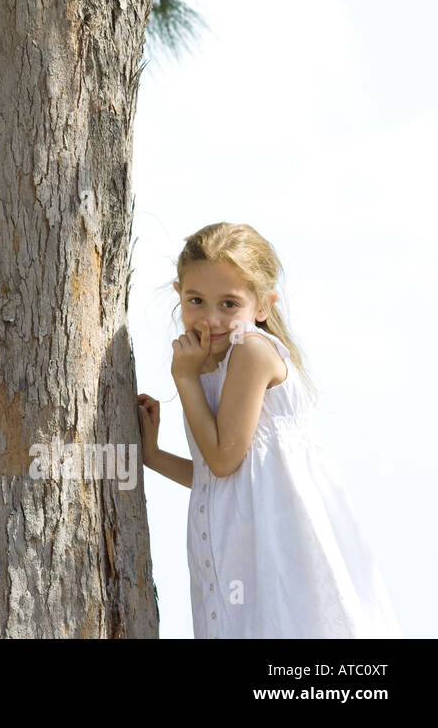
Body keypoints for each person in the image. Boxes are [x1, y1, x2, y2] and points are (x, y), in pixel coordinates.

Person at [137, 222, 401, 638]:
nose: (210, 318)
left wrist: (184, 379)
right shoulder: (213, 362)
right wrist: (153, 457)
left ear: (262, 305)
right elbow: (226, 481)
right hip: (240, 553)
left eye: (229, 303)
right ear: (179, 296)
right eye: (196, 300)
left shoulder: (251, 351)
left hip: (278, 555)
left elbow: (223, 460)